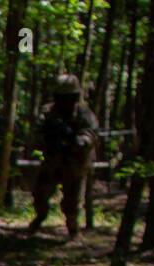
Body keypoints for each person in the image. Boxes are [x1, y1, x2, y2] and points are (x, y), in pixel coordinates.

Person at [29, 74, 99, 239]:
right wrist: (48, 139)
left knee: (72, 202)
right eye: (61, 97)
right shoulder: (48, 112)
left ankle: (73, 230)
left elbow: (91, 133)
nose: (64, 101)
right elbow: (36, 132)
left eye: (68, 97)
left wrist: (77, 141)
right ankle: (40, 216)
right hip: (52, 161)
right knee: (40, 194)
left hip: (75, 163)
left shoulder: (83, 113)